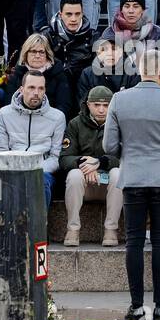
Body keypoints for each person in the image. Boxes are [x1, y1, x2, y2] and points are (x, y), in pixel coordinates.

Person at [104, 48, 160, 320]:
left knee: (134, 241)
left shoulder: (119, 99)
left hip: (134, 176)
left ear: (140, 70)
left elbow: (108, 145)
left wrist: (128, 153)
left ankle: (136, 305)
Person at [59, 84, 123, 247]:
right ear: (88, 105)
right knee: (73, 175)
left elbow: (126, 157)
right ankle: (73, 229)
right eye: (97, 105)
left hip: (109, 184)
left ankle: (111, 229)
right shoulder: (75, 124)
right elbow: (65, 157)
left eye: (106, 105)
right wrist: (84, 163)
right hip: (84, 185)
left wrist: (100, 162)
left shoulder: (120, 123)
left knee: (118, 173)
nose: (101, 110)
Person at [0, 69, 66, 206]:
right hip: (12, 168)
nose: (36, 93)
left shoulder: (57, 117)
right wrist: (18, 169)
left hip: (42, 171)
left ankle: (37, 227)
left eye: (41, 88)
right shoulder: (4, 114)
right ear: (21, 89)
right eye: (31, 87)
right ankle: (3, 227)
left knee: (39, 181)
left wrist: (32, 170)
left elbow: (56, 157)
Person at [3, 32, 74, 120]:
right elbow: (9, 105)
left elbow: (64, 105)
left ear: (47, 55)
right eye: (33, 51)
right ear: (26, 54)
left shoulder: (58, 74)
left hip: (50, 122)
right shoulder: (17, 74)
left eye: (41, 52)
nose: (37, 56)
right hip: (21, 122)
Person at [39, 0, 97, 94]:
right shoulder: (46, 35)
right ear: (60, 15)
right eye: (69, 14)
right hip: (53, 88)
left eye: (77, 14)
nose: (73, 19)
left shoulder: (93, 37)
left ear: (82, 14)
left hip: (83, 89)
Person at [78, 36, 138, 101]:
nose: (110, 53)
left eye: (114, 49)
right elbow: (83, 102)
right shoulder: (87, 74)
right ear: (98, 52)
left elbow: (134, 102)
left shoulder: (132, 73)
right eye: (104, 49)